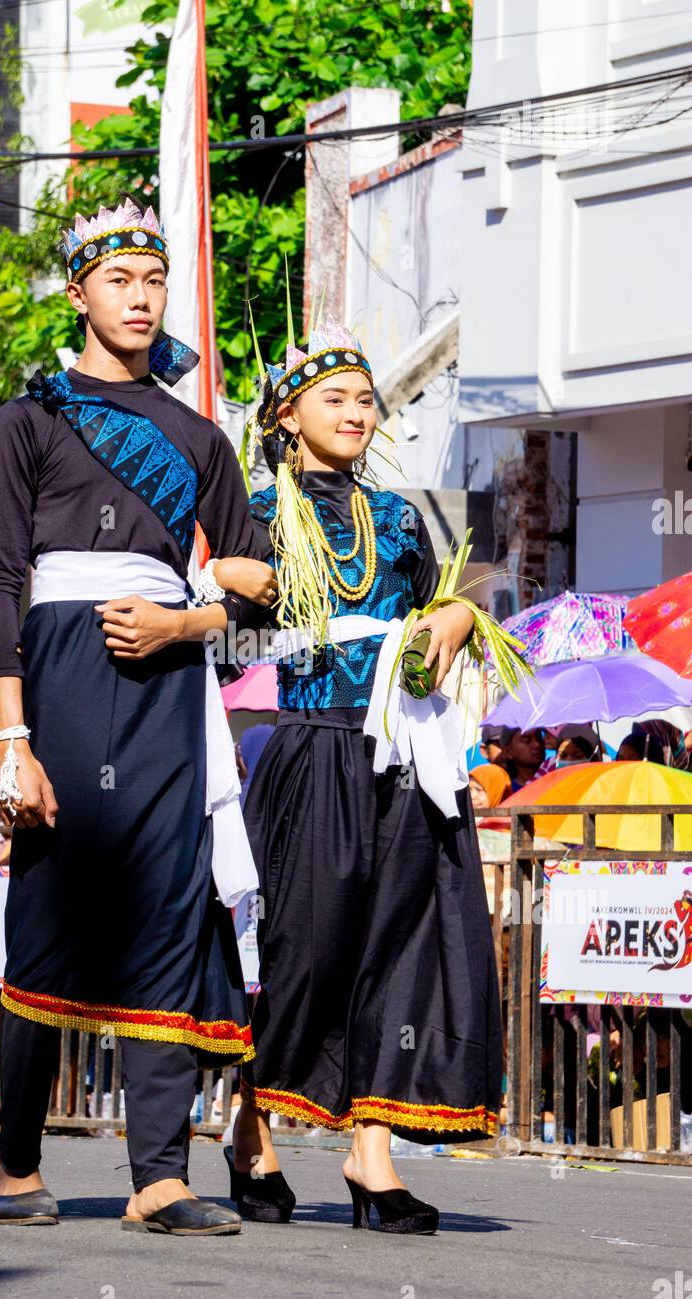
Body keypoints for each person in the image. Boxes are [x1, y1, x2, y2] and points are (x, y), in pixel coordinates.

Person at [0, 197, 275, 1235]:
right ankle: (17, 1163)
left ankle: (159, 1175)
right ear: (79, 293)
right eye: (118, 281)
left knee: (165, 907)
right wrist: (12, 741)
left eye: (153, 281)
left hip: (162, 693)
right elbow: (1, 579)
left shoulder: (200, 437)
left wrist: (181, 620)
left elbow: (258, 595)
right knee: (45, 911)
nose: (139, 298)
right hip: (56, 685)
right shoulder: (31, 419)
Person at [208, 314, 505, 1234]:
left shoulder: (398, 516)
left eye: (366, 402)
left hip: (404, 755)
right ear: (288, 414)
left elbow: (450, 601)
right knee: (306, 955)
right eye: (334, 399)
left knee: (403, 953)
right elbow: (228, 643)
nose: (356, 414)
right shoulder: (256, 510)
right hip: (311, 747)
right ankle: (251, 1127)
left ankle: (369, 1155)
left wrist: (456, 618)